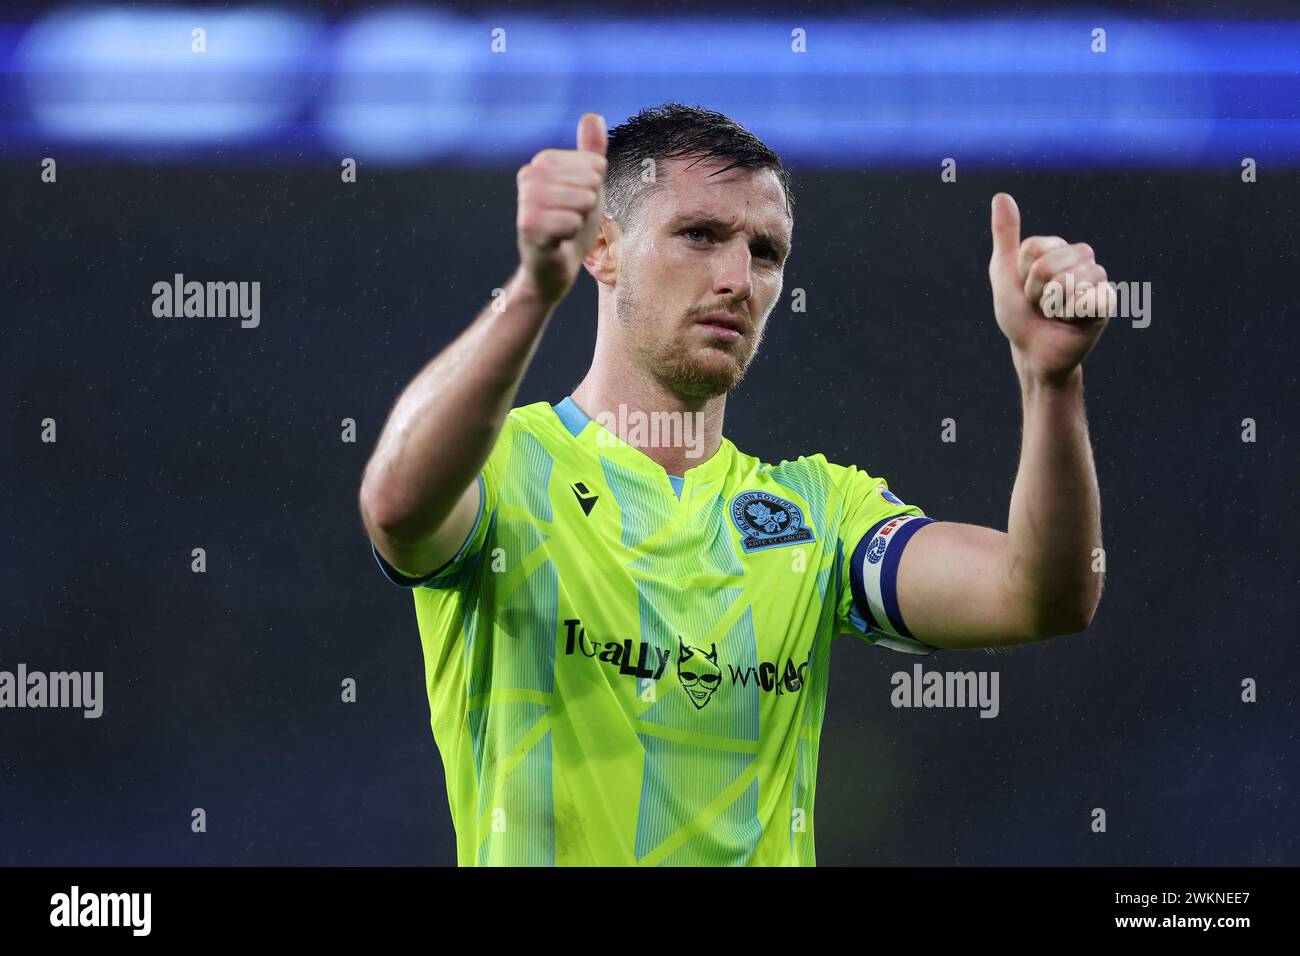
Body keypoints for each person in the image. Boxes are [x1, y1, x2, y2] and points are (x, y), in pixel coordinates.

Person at [358, 103, 1110, 866]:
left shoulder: (816, 514)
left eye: (766, 251)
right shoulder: (506, 467)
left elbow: (1043, 595)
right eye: (699, 235)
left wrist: (1051, 383)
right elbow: (397, 506)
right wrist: (530, 291)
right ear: (601, 247)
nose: (737, 279)